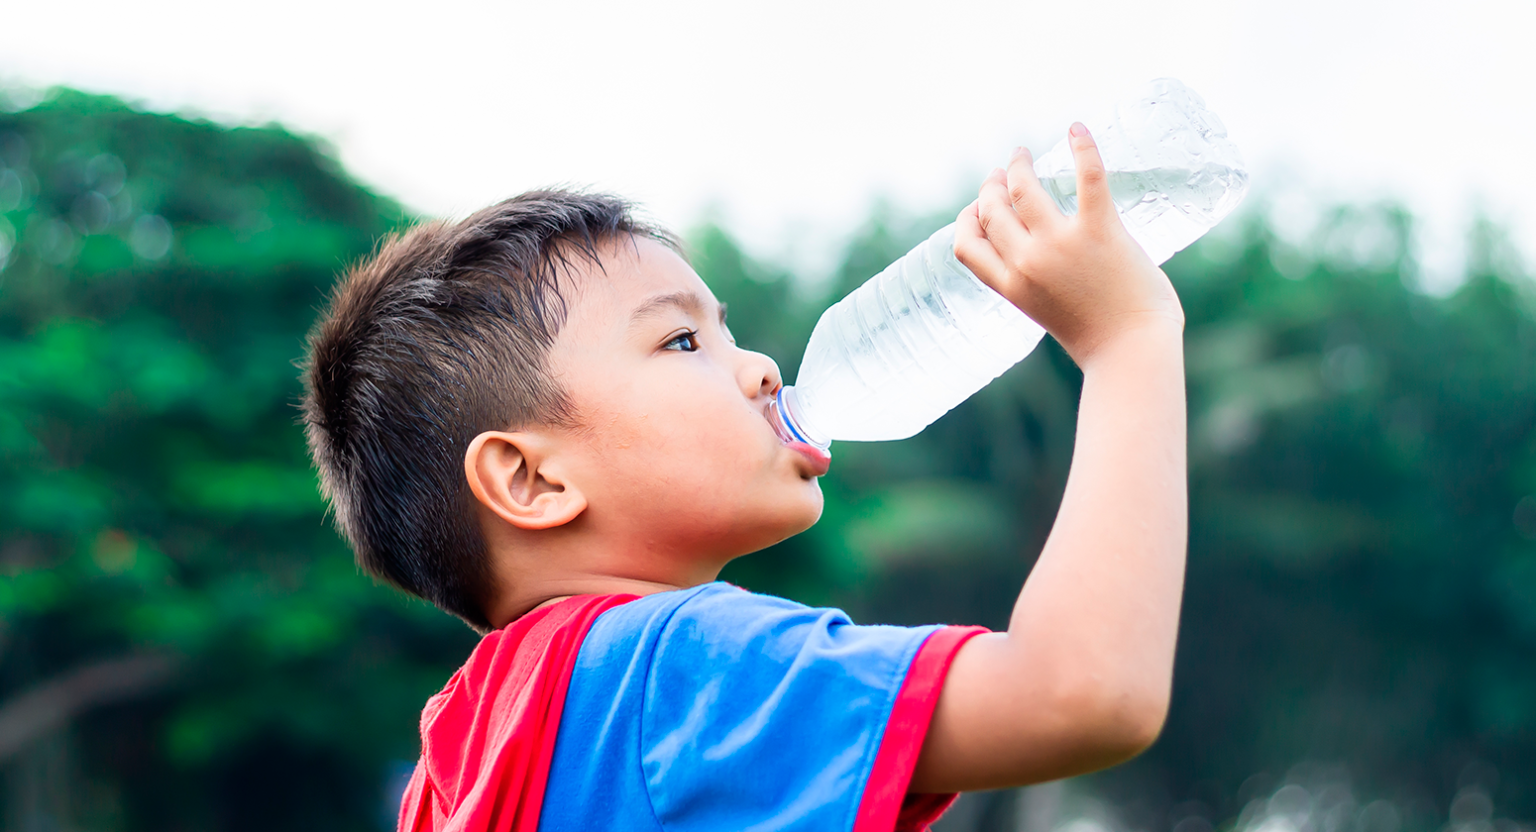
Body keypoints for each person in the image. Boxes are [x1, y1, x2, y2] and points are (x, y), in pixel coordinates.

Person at [300, 123, 1188, 832]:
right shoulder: (674, 666)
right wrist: (1126, 342)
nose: (763, 367)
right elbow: (1083, 693)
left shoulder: (462, 753)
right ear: (530, 480)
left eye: (725, 332)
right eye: (682, 341)